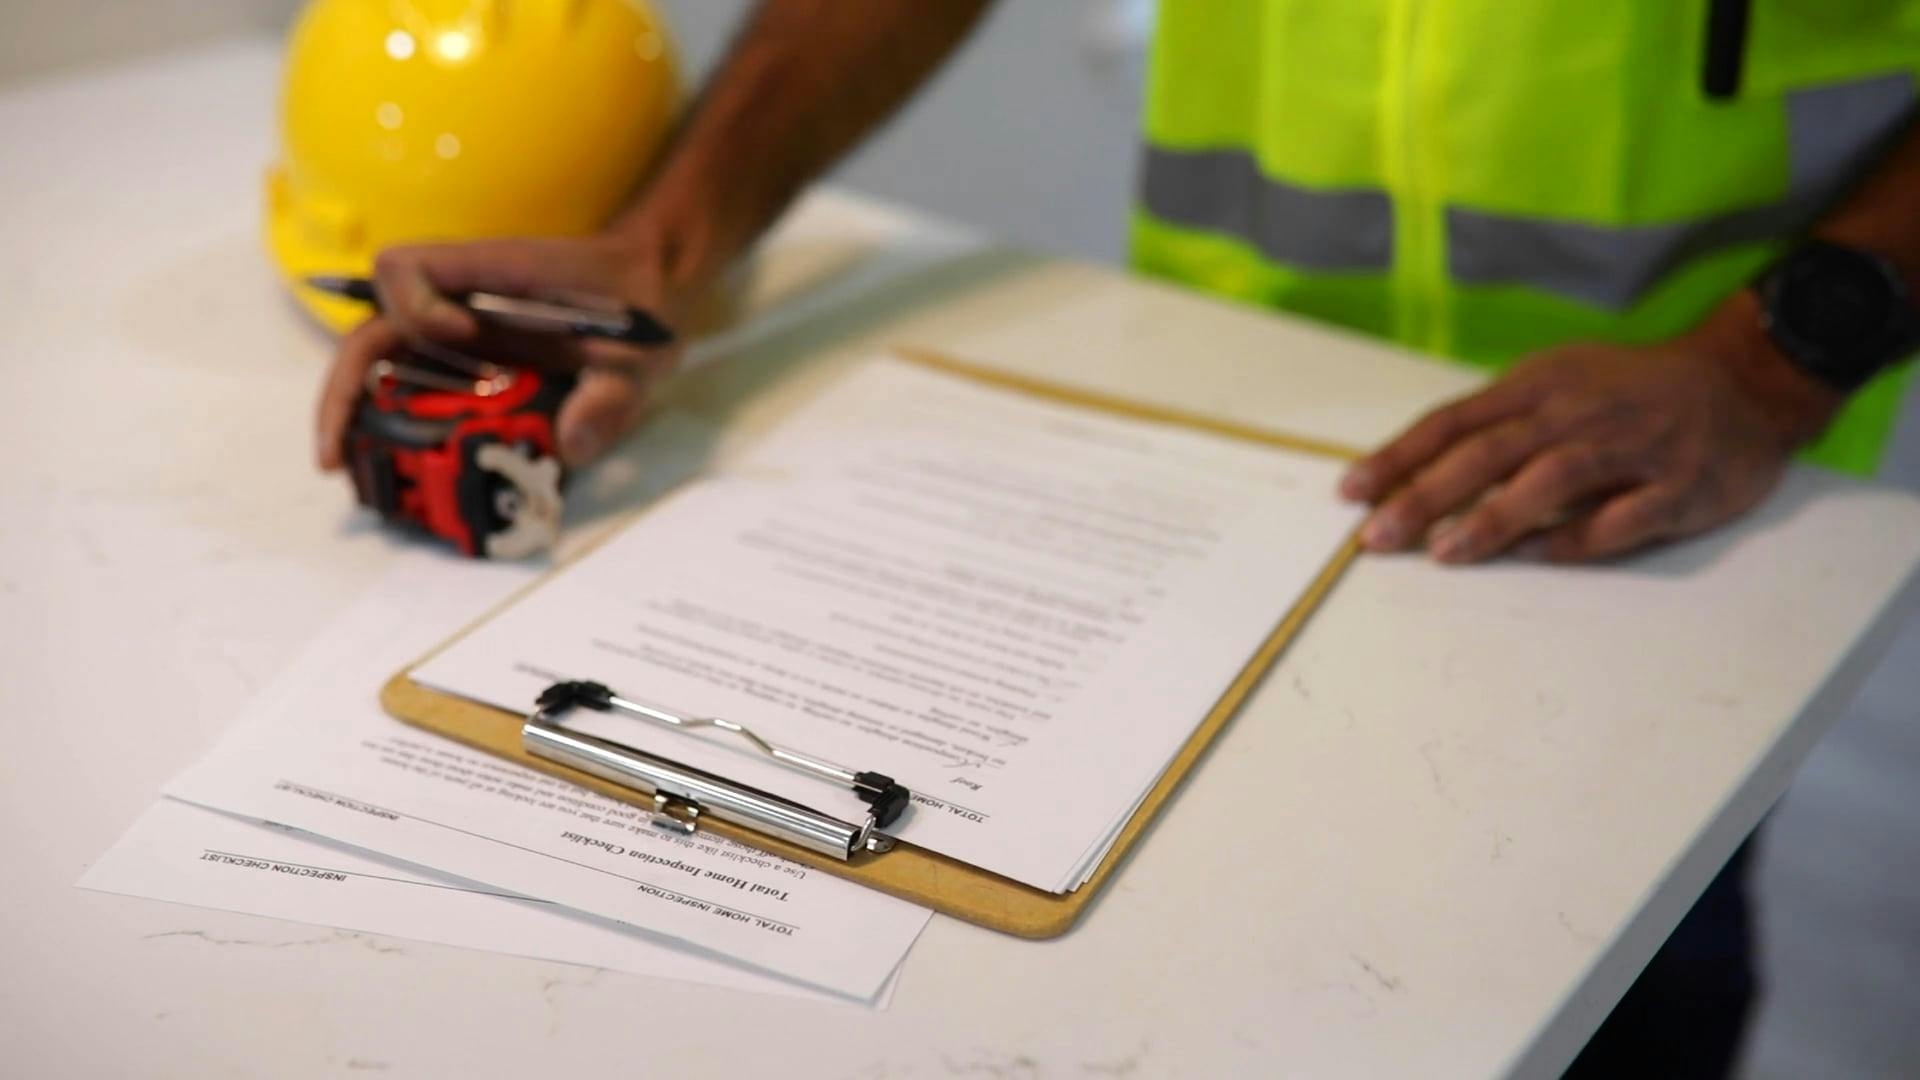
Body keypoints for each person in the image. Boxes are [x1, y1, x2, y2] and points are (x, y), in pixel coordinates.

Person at [313, 3, 1920, 1074]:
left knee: (1615, 971)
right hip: (1210, 437)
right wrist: (671, 243)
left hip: (1649, 498)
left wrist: (1771, 358)